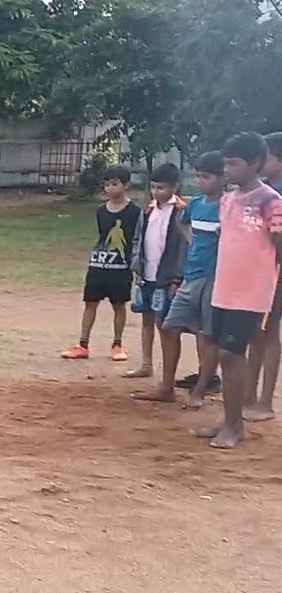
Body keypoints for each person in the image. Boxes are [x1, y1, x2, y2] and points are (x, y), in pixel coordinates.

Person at [196, 132, 282, 449]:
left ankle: (235, 427)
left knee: (233, 354)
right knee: (222, 354)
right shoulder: (228, 200)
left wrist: (271, 289)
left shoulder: (271, 201)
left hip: (252, 293)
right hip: (224, 289)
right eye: (226, 163)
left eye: (234, 163)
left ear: (255, 163)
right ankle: (228, 419)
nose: (228, 169)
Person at [132, 151, 224, 407]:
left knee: (206, 334)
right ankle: (166, 387)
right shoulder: (195, 205)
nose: (201, 181)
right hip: (190, 277)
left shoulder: (227, 206)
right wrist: (193, 241)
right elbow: (183, 226)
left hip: (213, 278)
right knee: (169, 327)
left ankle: (201, 390)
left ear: (221, 178)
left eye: (205, 176)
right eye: (198, 175)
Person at [62, 166, 142, 361]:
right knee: (90, 303)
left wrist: (136, 265)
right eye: (106, 185)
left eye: (114, 184)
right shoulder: (101, 211)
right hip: (99, 265)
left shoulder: (136, 212)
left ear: (126, 185)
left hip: (121, 267)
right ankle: (82, 344)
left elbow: (136, 239)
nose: (110, 188)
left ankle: (117, 344)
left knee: (119, 305)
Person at [123, 163, 186, 379]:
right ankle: (146, 364)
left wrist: (177, 279)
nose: (157, 192)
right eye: (153, 187)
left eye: (162, 188)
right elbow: (139, 238)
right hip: (146, 274)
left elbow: (182, 248)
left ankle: (167, 374)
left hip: (166, 278)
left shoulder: (181, 211)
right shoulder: (149, 209)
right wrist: (136, 263)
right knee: (146, 319)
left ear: (175, 187)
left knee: (164, 324)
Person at [242, 131, 282, 422]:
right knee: (256, 332)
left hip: (275, 273)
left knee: (267, 334)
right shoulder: (267, 188)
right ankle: (249, 394)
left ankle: (265, 401)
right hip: (262, 271)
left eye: (266, 157)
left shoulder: (276, 195)